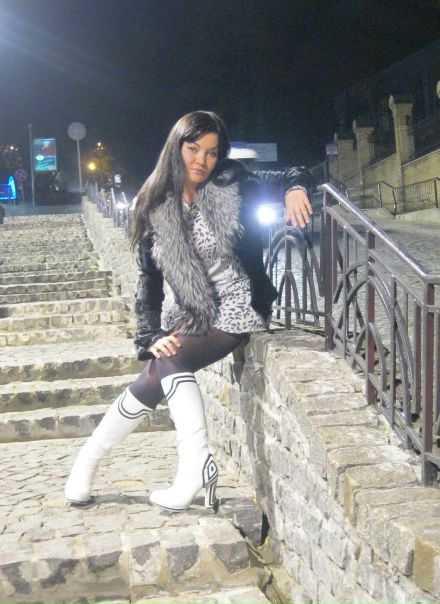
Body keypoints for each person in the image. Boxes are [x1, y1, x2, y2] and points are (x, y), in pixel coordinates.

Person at [65, 111, 313, 512]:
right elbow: (148, 282)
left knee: (170, 358)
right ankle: (88, 462)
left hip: (239, 302)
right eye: (194, 149)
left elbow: (290, 174)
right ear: (176, 147)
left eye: (212, 152)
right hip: (194, 310)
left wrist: (296, 188)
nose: (202, 160)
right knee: (157, 365)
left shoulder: (230, 180)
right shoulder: (152, 204)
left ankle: (193, 466)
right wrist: (149, 335)